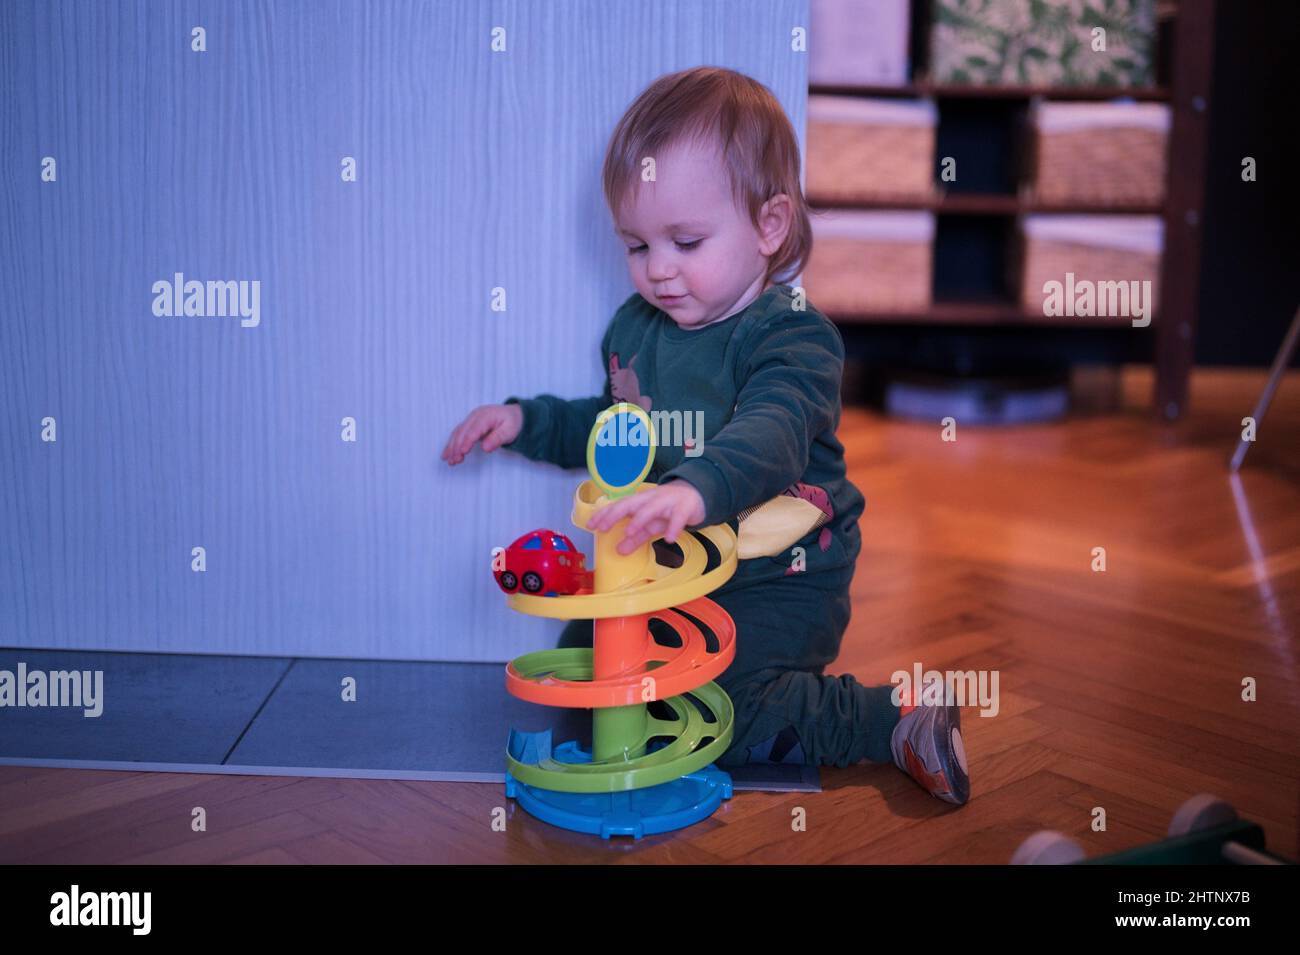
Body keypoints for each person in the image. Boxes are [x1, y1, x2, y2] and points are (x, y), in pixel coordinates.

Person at [441, 67, 969, 805]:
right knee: (590, 670)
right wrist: (528, 422)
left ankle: (891, 719)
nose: (658, 270)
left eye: (686, 241)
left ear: (769, 226)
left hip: (779, 577)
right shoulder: (636, 330)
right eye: (636, 245)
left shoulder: (793, 335)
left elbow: (773, 432)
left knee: (730, 706)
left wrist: (696, 488)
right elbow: (614, 430)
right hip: (672, 569)